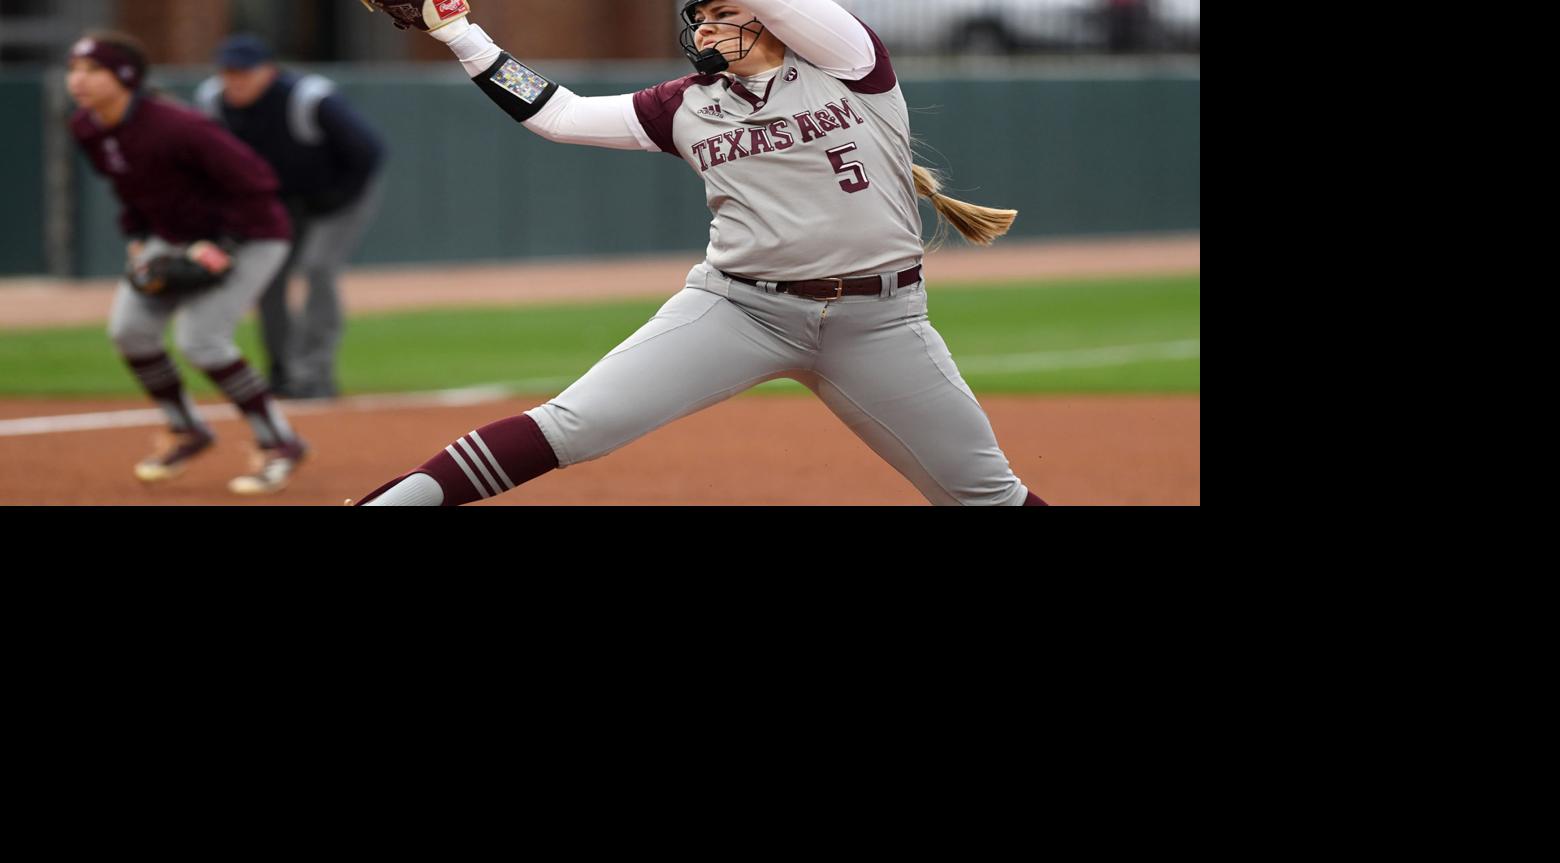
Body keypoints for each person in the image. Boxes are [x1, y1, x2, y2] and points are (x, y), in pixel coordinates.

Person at [351, 0, 1047, 507]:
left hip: (882, 322)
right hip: (738, 310)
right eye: (699, 18)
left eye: (721, 13)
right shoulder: (682, 105)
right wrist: (459, 31)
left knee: (984, 494)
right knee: (573, 426)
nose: (705, 28)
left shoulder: (848, 66)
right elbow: (555, 114)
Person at [66, 31, 309, 496]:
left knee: (202, 340)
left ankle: (280, 443)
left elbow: (257, 180)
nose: (78, 79)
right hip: (172, 236)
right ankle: (187, 430)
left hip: (254, 234)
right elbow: (129, 188)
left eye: (92, 70)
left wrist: (229, 243)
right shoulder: (87, 126)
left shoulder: (178, 127)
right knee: (130, 332)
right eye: (74, 69)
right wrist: (137, 239)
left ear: (126, 77)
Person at [196, 34, 386, 399]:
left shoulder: (308, 98)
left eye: (244, 72)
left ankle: (315, 375)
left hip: (341, 196)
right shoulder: (212, 101)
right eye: (228, 72)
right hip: (279, 201)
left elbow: (369, 152)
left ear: (268, 71)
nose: (235, 81)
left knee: (318, 268)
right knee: (266, 274)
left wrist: (333, 198)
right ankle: (282, 373)